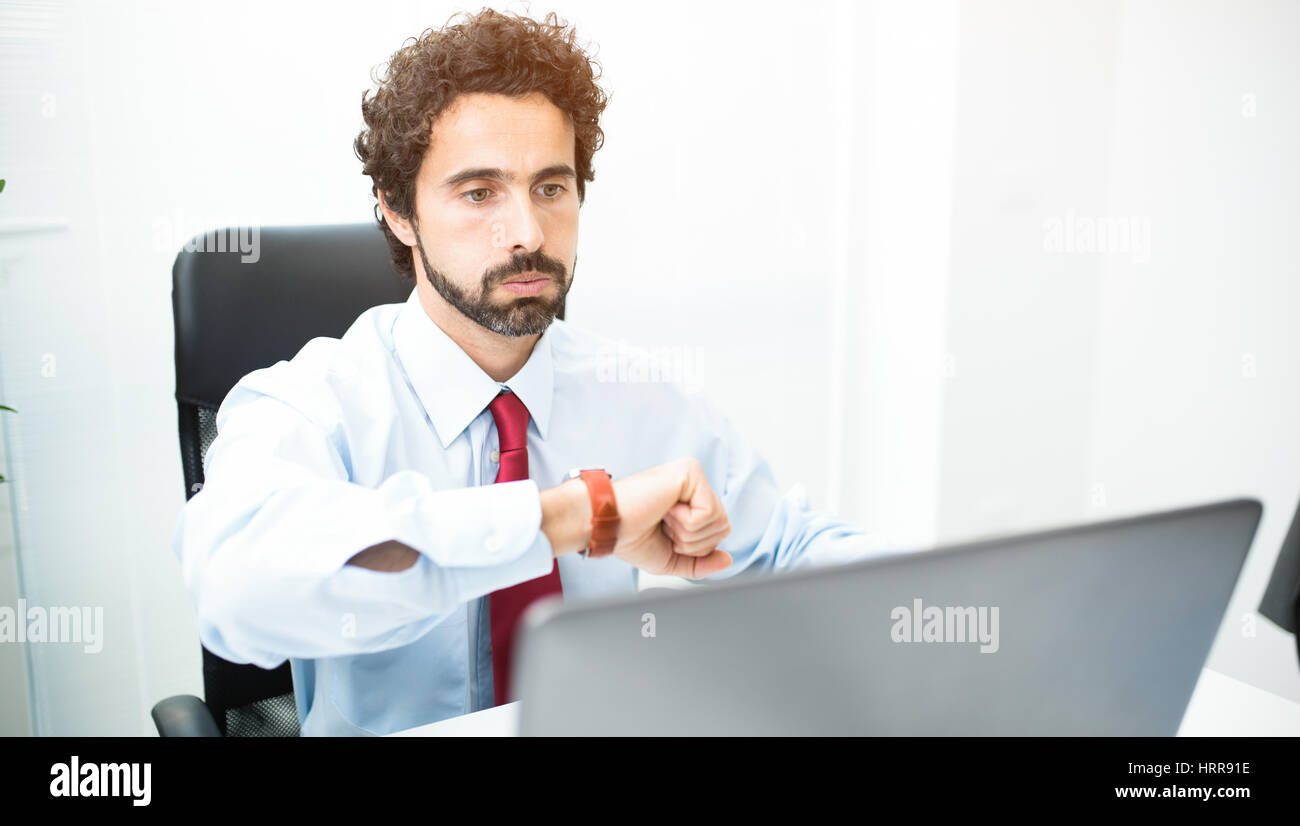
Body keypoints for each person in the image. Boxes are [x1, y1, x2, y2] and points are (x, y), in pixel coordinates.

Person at [172, 8, 877, 737]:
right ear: (397, 211)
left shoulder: (636, 395)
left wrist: (939, 609)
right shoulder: (312, 406)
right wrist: (574, 516)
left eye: (551, 187)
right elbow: (235, 591)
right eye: (479, 193)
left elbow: (786, 548)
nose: (529, 235)